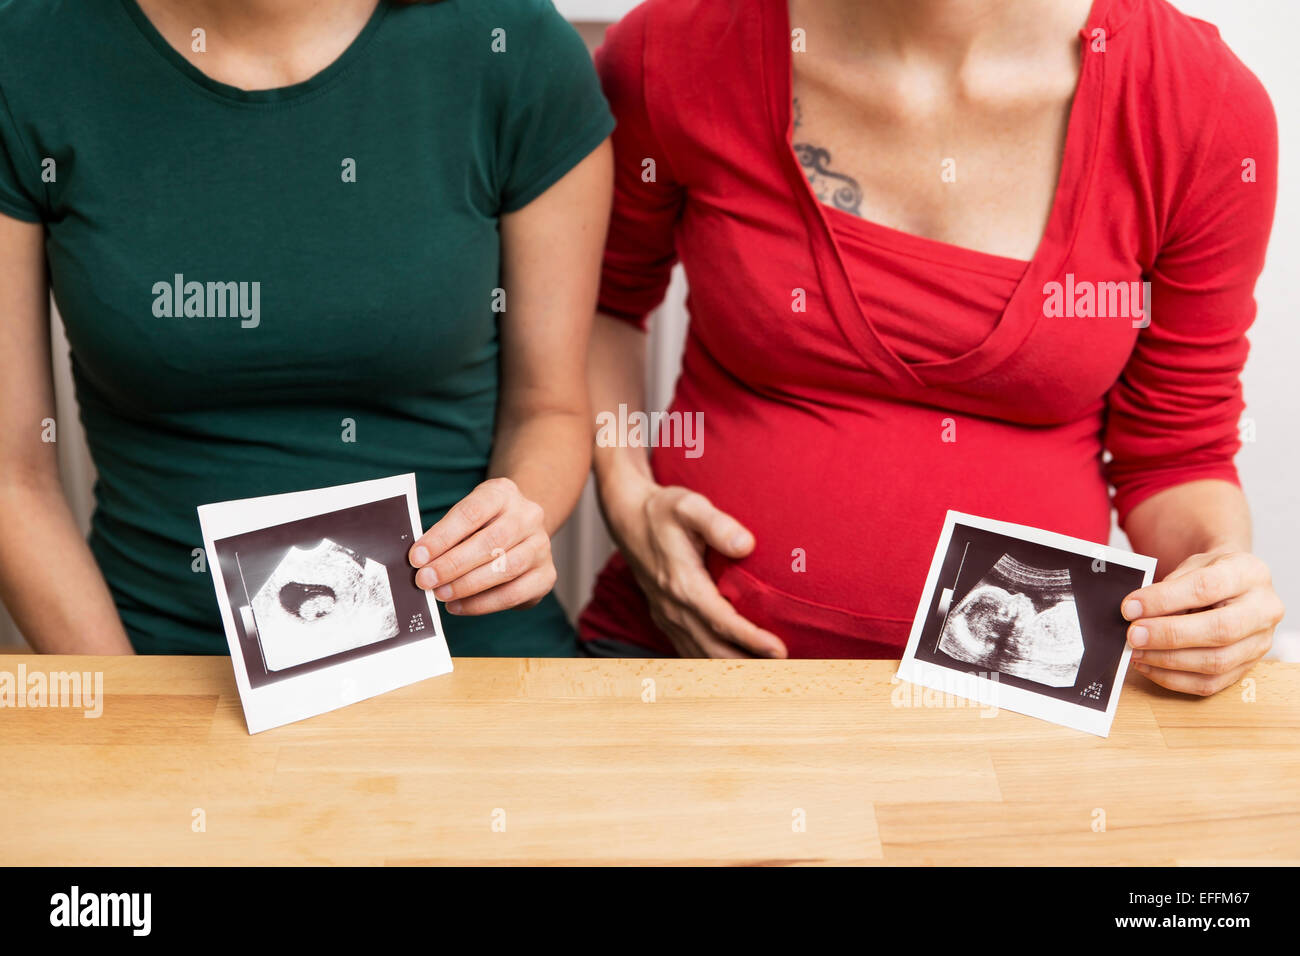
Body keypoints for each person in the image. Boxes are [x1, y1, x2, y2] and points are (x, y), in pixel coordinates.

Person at [580, 0, 1284, 696]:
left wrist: (1217, 580)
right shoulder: (674, 49)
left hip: (1012, 725)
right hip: (674, 663)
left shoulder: (1201, 108)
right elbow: (602, 304)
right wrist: (627, 495)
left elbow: (1177, 452)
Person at [0, 0, 613, 655]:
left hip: (463, 652)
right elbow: (13, 474)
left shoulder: (513, 45)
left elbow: (548, 407)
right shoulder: (31, 51)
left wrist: (518, 519)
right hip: (153, 659)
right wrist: (123, 715)